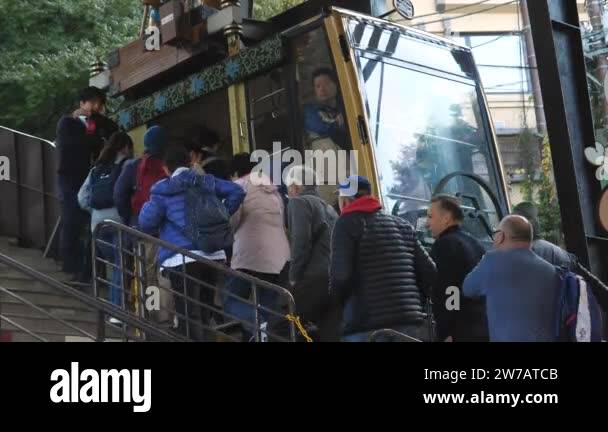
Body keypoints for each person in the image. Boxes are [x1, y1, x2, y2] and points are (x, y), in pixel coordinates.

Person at [138, 146, 245, 341]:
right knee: (204, 312)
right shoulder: (205, 181)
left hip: (181, 258)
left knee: (189, 314)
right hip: (213, 254)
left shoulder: (163, 190)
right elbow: (237, 191)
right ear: (190, 163)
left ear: (166, 169)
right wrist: (222, 214)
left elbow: (146, 222)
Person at [330, 176, 436, 342]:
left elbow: (340, 276)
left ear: (345, 199)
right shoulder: (402, 225)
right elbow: (430, 271)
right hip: (410, 324)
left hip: (367, 326)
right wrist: (413, 302)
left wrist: (339, 305)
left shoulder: (346, 223)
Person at [223, 153, 290, 340]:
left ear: (235, 173)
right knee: (266, 305)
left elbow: (231, 221)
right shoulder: (272, 188)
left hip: (249, 254)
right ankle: (264, 329)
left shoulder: (238, 186)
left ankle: (258, 323)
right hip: (279, 257)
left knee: (229, 300)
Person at [463, 215, 561, 342]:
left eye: (496, 233)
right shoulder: (551, 271)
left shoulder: (492, 261)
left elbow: (468, 288)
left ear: (501, 236)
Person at [55, 86, 118, 280]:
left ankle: (89, 272)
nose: (96, 108)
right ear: (82, 103)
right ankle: (72, 267)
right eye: (93, 103)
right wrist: (92, 131)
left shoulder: (98, 124)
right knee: (72, 220)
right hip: (71, 179)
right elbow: (77, 144)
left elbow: (115, 131)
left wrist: (95, 121)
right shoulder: (67, 123)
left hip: (91, 181)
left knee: (94, 226)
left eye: (100, 105)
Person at [78, 132, 133, 309]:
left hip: (98, 226)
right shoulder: (128, 164)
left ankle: (117, 306)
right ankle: (117, 310)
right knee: (121, 265)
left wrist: (96, 212)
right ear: (125, 147)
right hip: (119, 222)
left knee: (116, 265)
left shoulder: (96, 168)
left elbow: (82, 197)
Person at [284, 165, 339, 341]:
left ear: (295, 187)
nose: (288, 193)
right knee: (326, 331)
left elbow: (301, 241)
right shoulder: (328, 207)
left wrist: (293, 276)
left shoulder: (299, 202)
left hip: (312, 277)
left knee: (279, 325)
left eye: (288, 188)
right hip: (333, 278)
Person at [426, 194, 488, 342]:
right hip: (483, 326)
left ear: (446, 218)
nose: (427, 223)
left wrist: (448, 330)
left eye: (430, 217)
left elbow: (449, 289)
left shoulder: (444, 245)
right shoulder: (475, 243)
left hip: (461, 331)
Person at [512, 201, 574, 268]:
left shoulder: (513, 254)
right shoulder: (544, 248)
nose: (538, 221)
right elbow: (572, 261)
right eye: (536, 217)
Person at [303, 67, 347, 150]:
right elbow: (321, 128)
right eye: (318, 86)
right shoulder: (310, 112)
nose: (322, 89)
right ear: (314, 90)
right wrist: (337, 124)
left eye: (326, 84)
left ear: (336, 84)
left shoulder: (347, 105)